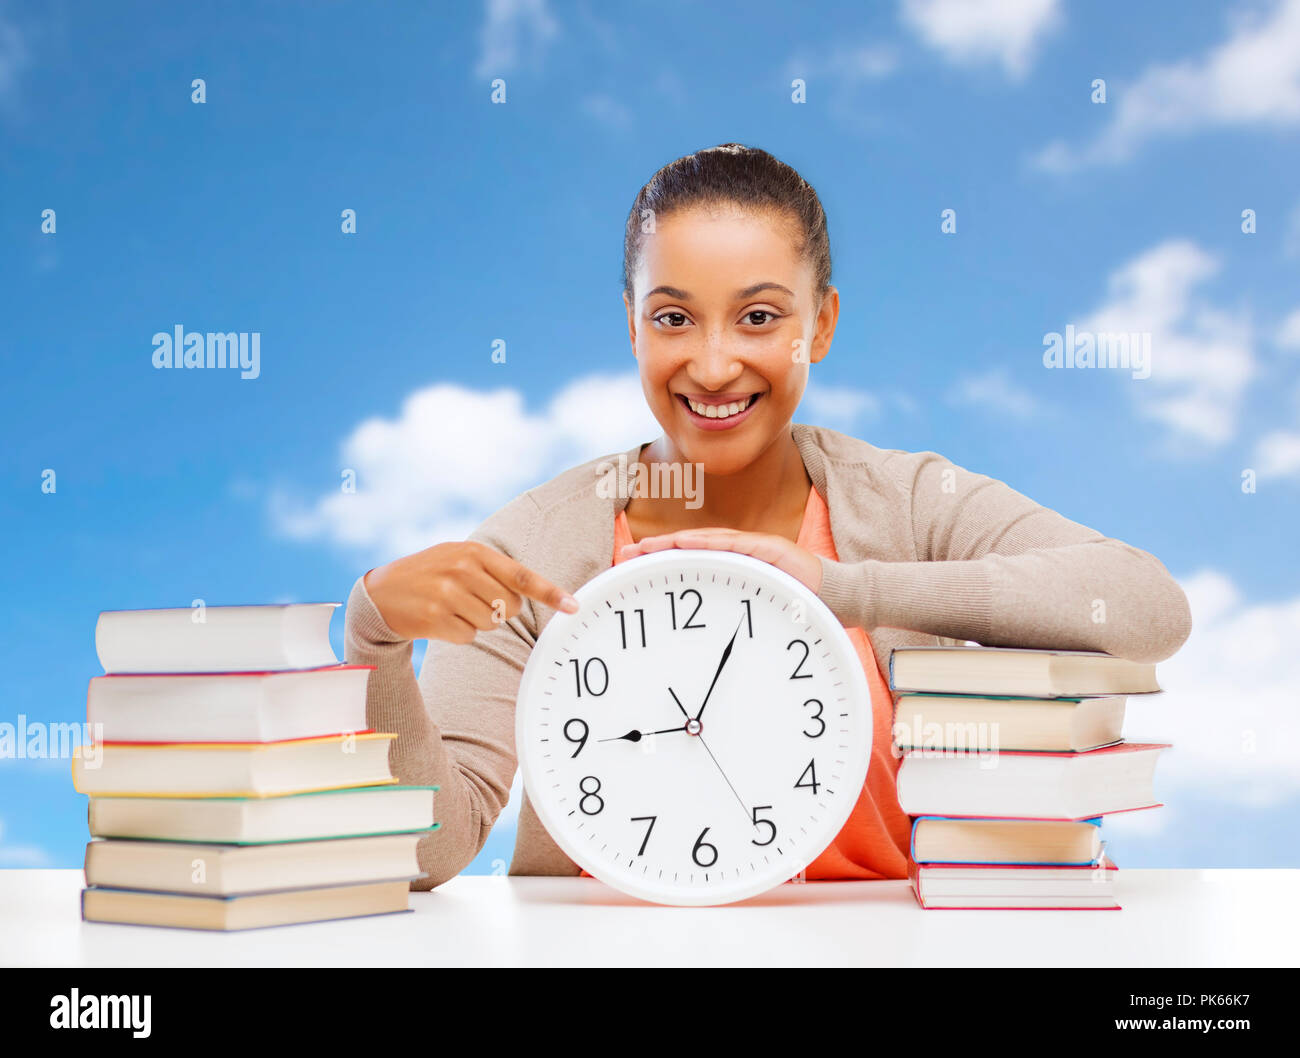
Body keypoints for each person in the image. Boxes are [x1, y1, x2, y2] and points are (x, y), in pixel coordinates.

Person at [345, 143, 1192, 890]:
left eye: (758, 317)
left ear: (819, 326)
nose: (715, 366)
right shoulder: (537, 545)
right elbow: (427, 854)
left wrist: (841, 588)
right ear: (633, 329)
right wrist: (375, 633)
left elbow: (1148, 607)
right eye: (673, 318)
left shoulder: (905, 503)